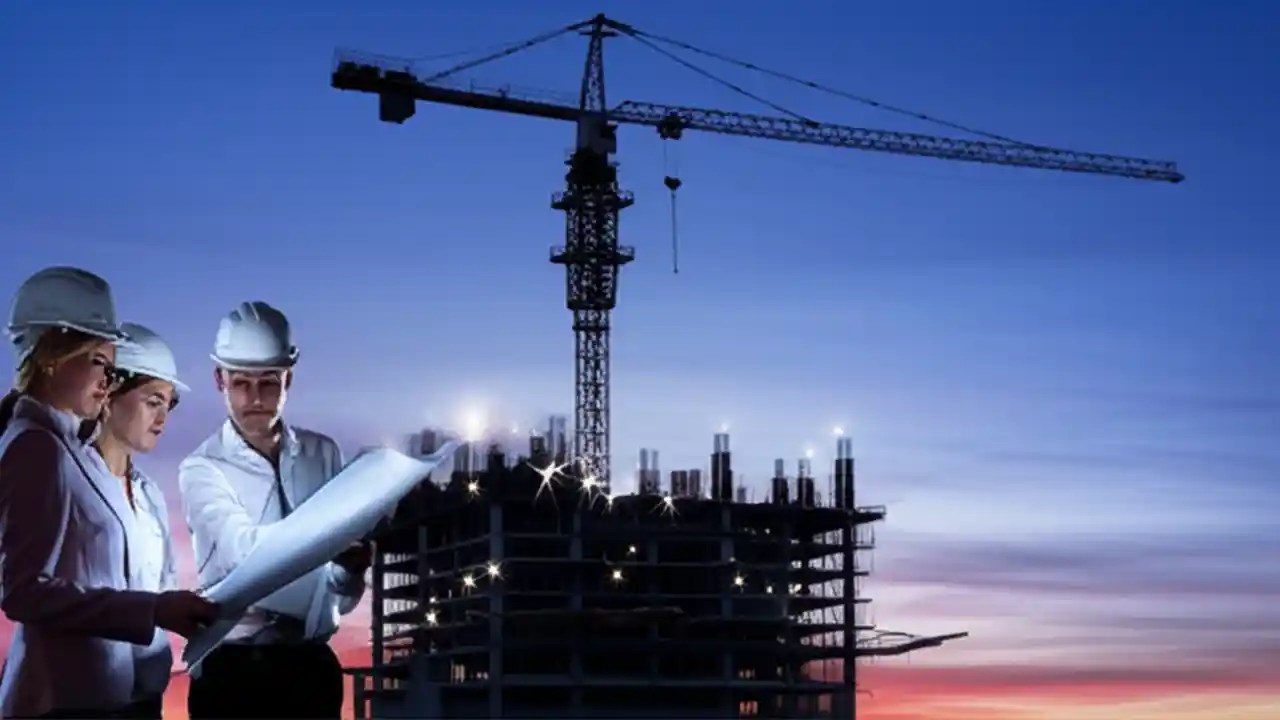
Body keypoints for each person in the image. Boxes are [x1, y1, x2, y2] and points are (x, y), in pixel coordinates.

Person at [0, 266, 218, 719]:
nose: (106, 379)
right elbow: (23, 592)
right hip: (61, 706)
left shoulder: (62, 447)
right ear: (53, 356)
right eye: (99, 362)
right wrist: (152, 610)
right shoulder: (38, 446)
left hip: (106, 700)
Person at [180, 300, 370, 719]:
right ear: (219, 380)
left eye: (268, 382)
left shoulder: (323, 454)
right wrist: (324, 543)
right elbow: (244, 554)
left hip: (310, 669)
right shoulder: (202, 468)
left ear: (289, 379)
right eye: (241, 383)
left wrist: (349, 571)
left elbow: (338, 599)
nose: (254, 397)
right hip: (232, 675)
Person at [87, 323, 192, 719]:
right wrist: (150, 610)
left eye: (169, 403)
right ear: (109, 393)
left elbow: (163, 588)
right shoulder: (63, 479)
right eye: (153, 401)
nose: (163, 417)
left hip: (144, 701)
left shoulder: (150, 497)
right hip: (79, 704)